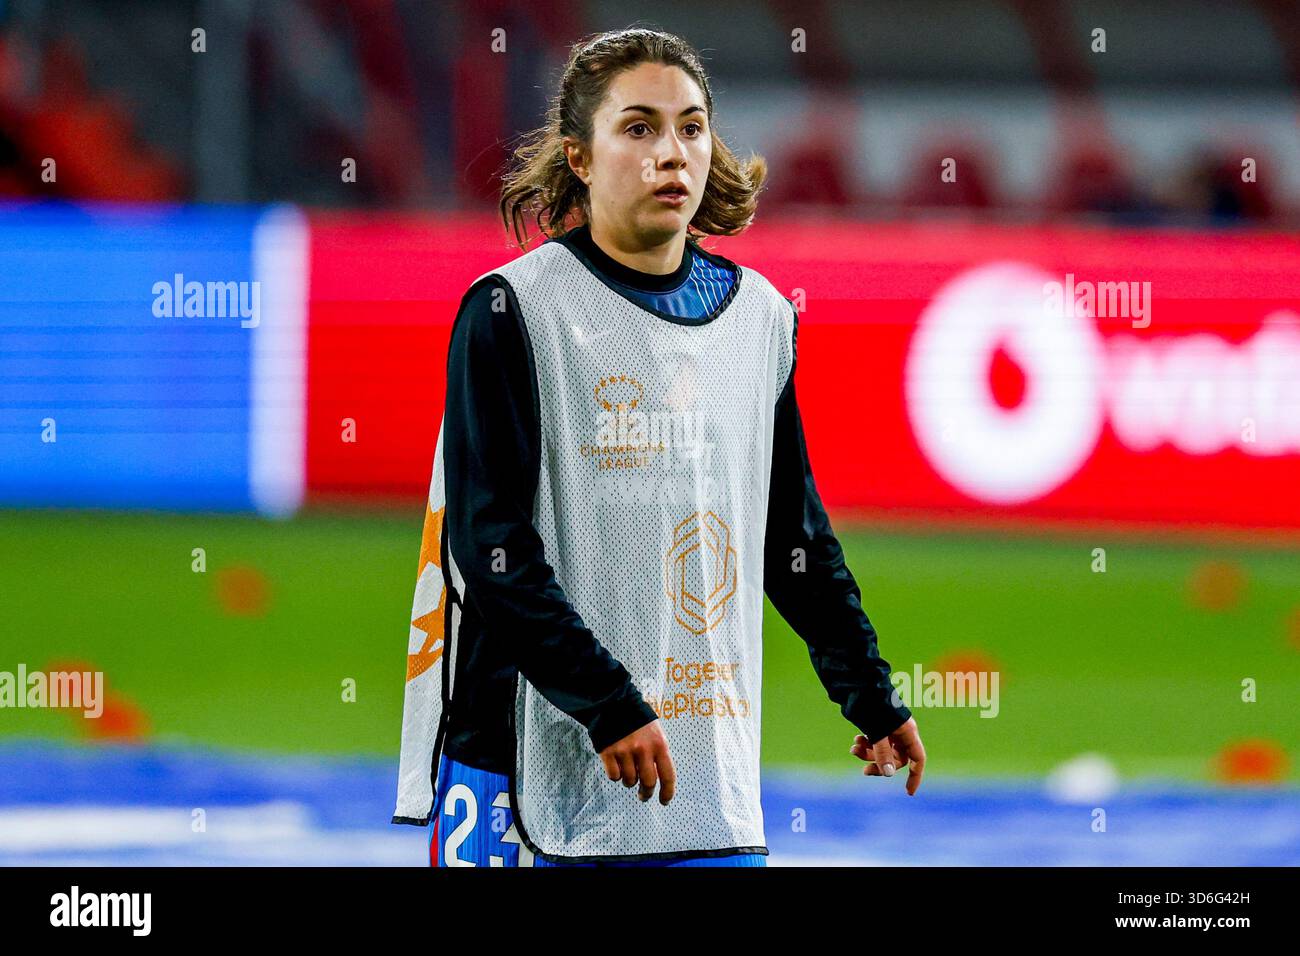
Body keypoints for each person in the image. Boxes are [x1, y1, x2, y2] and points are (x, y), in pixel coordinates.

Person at [393, 27, 925, 868]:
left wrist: (868, 692)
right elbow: (490, 548)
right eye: (637, 128)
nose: (671, 152)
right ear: (578, 156)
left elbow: (790, 537)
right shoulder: (510, 311)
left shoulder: (762, 320)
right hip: (523, 766)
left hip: (703, 782)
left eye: (690, 127)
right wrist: (606, 702)